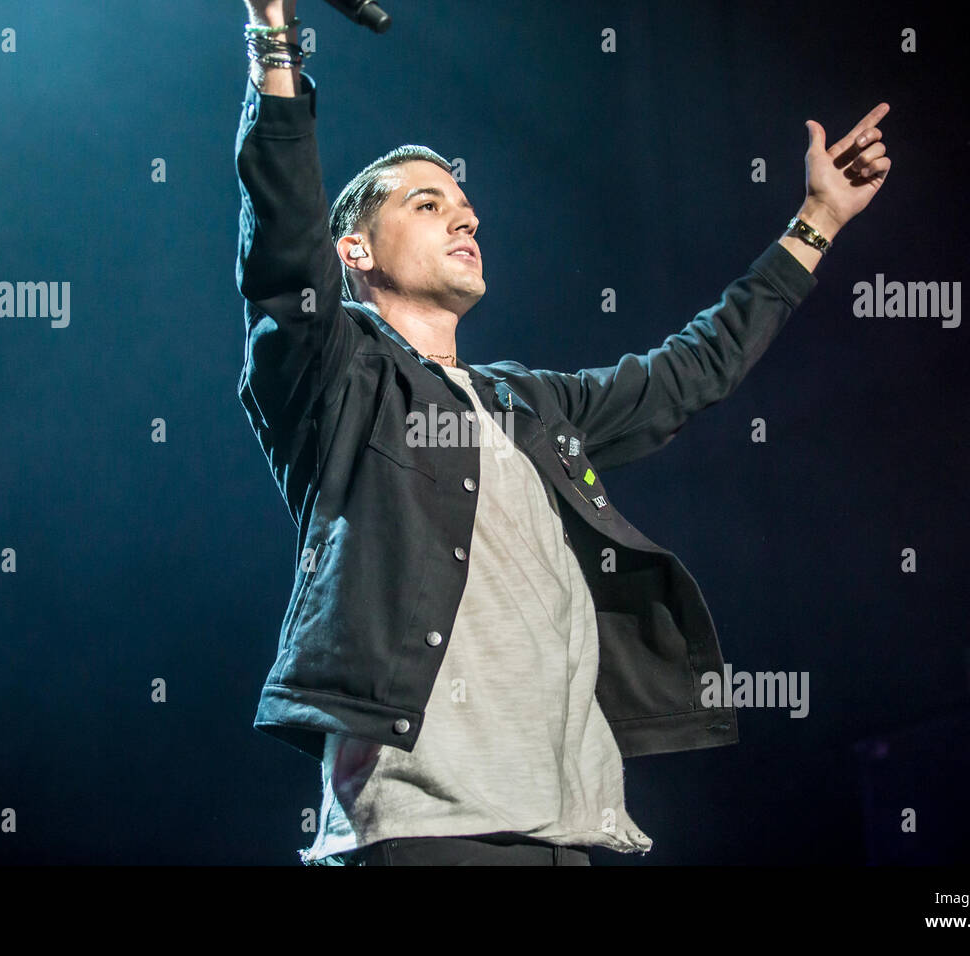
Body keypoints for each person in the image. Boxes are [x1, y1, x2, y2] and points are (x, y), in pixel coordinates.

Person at [235, 0, 890, 866]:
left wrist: (818, 223)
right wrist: (274, 34)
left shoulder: (530, 406)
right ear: (354, 251)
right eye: (430, 205)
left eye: (466, 207)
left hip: (568, 833)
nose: (466, 220)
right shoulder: (342, 382)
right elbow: (285, 254)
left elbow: (691, 370)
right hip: (429, 833)